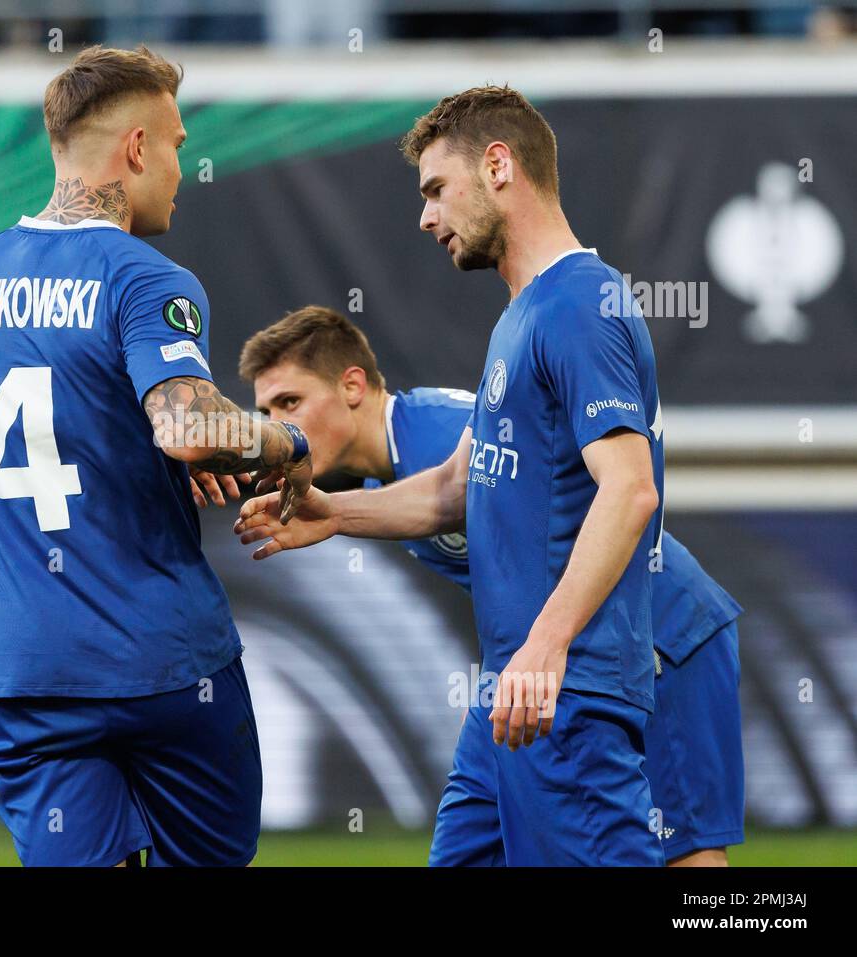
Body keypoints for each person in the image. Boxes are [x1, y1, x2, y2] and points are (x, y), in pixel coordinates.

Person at [237, 86, 668, 865]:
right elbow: (453, 490)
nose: (427, 216)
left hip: (563, 686)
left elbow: (630, 488)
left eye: (437, 189)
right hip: (512, 690)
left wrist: (546, 643)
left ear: (499, 166)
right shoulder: (522, 315)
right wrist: (334, 514)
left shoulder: (580, 303)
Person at [0, 45, 312, 866]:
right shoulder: (146, 278)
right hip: (166, 667)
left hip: (28, 669)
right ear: (138, 147)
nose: (184, 167)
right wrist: (285, 441)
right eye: (178, 143)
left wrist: (169, 440)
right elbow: (183, 426)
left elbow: (76, 416)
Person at [239, 305, 745, 866]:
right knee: (468, 850)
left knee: (687, 857)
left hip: (658, 633)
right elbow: (484, 538)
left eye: (290, 403)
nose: (277, 426)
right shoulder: (384, 472)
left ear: (353, 385)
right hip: (544, 657)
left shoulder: (438, 433)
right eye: (265, 411)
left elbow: (612, 496)